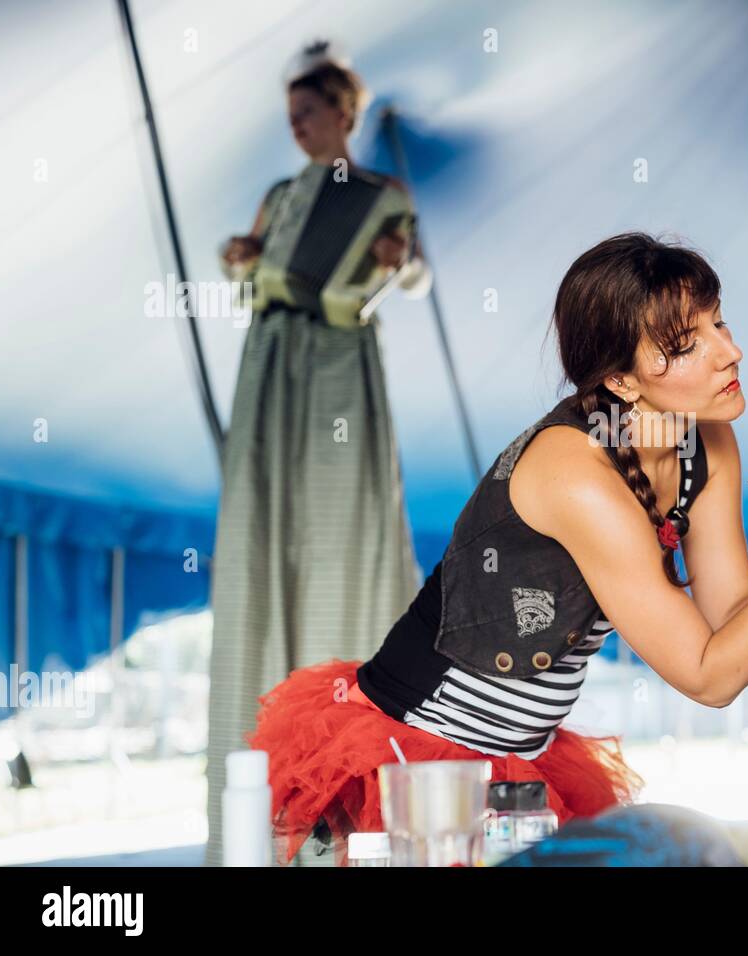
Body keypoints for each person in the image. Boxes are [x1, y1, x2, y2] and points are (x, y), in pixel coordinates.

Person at [248, 232, 748, 865]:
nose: (731, 352)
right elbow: (709, 676)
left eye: (720, 322)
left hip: (525, 755)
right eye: (686, 345)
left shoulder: (707, 443)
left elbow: (734, 625)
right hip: (418, 751)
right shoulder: (578, 473)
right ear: (620, 379)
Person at [206, 41, 430, 866]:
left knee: (340, 536)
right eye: (291, 117)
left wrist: (395, 266)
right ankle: (263, 800)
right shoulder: (280, 193)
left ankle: (347, 787)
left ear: (344, 114)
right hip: (273, 365)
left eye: (309, 114)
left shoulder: (382, 194)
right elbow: (251, 269)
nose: (298, 129)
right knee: (267, 526)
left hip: (337, 367)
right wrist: (241, 259)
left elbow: (412, 278)